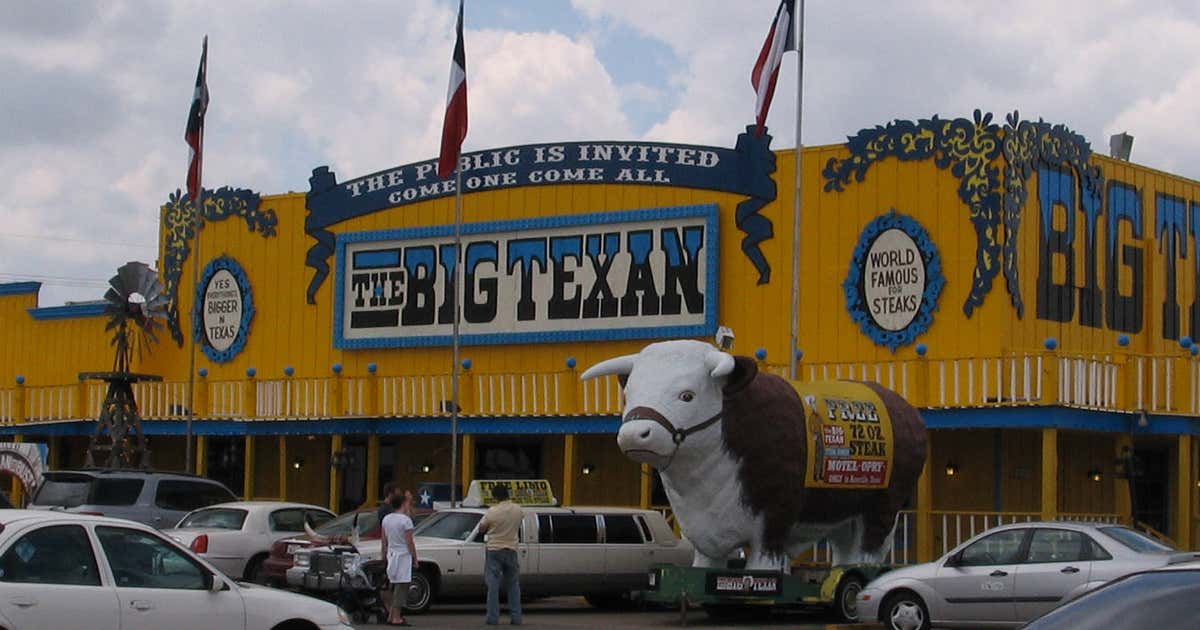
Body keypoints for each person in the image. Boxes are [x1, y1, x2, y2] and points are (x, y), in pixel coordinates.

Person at [477, 484, 524, 625]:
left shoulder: (492, 511)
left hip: (494, 549)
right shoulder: (518, 509)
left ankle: (493, 617)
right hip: (512, 549)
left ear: (495, 496)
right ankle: (516, 617)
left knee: (493, 585)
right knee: (513, 584)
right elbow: (520, 521)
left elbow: (481, 528)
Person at [380, 491, 418, 627]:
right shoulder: (406, 521)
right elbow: (409, 542)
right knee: (401, 587)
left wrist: (383, 555)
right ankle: (396, 617)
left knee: (393, 585)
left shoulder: (386, 519)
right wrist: (415, 558)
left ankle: (391, 615)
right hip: (403, 556)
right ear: (403, 503)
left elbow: (384, 541)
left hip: (391, 554)